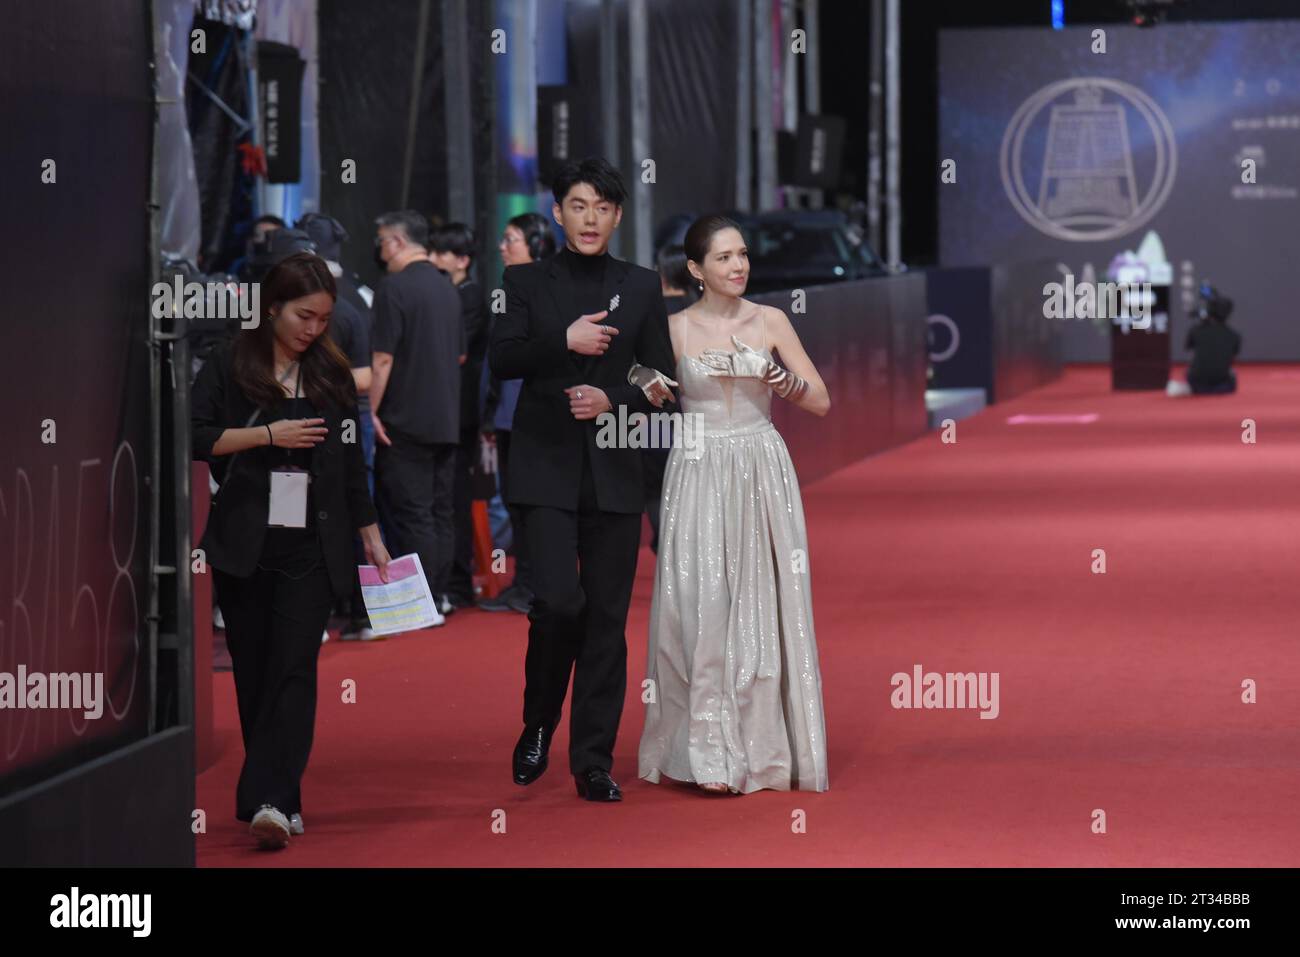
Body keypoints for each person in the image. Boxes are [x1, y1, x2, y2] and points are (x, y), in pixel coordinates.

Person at [489, 157, 676, 802]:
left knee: (606, 618)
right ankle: (538, 722)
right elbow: (503, 358)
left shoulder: (644, 285)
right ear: (558, 213)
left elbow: (661, 383)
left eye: (601, 207)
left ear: (617, 216)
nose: (589, 217)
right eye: (577, 205)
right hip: (543, 469)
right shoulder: (523, 281)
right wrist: (564, 341)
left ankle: (592, 757)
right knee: (558, 604)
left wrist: (615, 401)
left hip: (617, 473)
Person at [191, 251, 391, 849]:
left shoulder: (328, 373)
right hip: (246, 541)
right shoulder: (229, 364)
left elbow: (352, 464)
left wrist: (371, 534)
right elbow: (196, 436)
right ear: (273, 307)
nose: (313, 329)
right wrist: (268, 434)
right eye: (304, 316)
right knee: (254, 676)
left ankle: (270, 801)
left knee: (295, 670)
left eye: (323, 319)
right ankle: (283, 796)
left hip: (314, 541)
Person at [637, 214, 831, 795]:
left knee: (761, 603)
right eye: (723, 258)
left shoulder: (770, 320)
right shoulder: (672, 329)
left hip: (760, 466)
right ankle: (702, 752)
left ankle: (764, 751)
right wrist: (644, 382)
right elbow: (641, 388)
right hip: (695, 467)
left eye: (742, 254)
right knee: (695, 604)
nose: (738, 266)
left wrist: (770, 373)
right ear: (696, 270)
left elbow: (819, 400)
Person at [370, 210, 465, 620]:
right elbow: (460, 354)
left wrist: (370, 411)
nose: (379, 250)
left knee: (413, 515)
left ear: (395, 242)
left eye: (380, 242)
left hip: (403, 419)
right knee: (439, 511)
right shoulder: (448, 289)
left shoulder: (394, 289)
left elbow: (382, 360)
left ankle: (418, 604)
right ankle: (439, 596)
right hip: (446, 416)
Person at [478, 212, 557, 615]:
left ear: (538, 244)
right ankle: (524, 582)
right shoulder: (511, 288)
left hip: (536, 414)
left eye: (512, 240)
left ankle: (535, 585)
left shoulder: (548, 290)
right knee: (514, 501)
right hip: (508, 414)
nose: (502, 247)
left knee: (532, 502)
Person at [429, 222, 488, 610]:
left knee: (454, 497)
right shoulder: (452, 294)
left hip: (459, 411)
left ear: (462, 259)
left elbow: (455, 352)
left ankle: (458, 583)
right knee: (447, 497)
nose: (432, 259)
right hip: (447, 408)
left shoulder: (469, 297)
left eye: (440, 253)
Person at [643, 244, 697, 551]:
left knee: (656, 486)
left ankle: (665, 542)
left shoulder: (649, 312)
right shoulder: (702, 309)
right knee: (688, 489)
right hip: (695, 416)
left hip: (654, 416)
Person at [1184, 284, 1241, 395]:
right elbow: (1232, 356)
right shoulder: (1234, 336)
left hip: (1196, 383)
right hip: (1224, 384)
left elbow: (1188, 348)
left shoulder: (1196, 331)